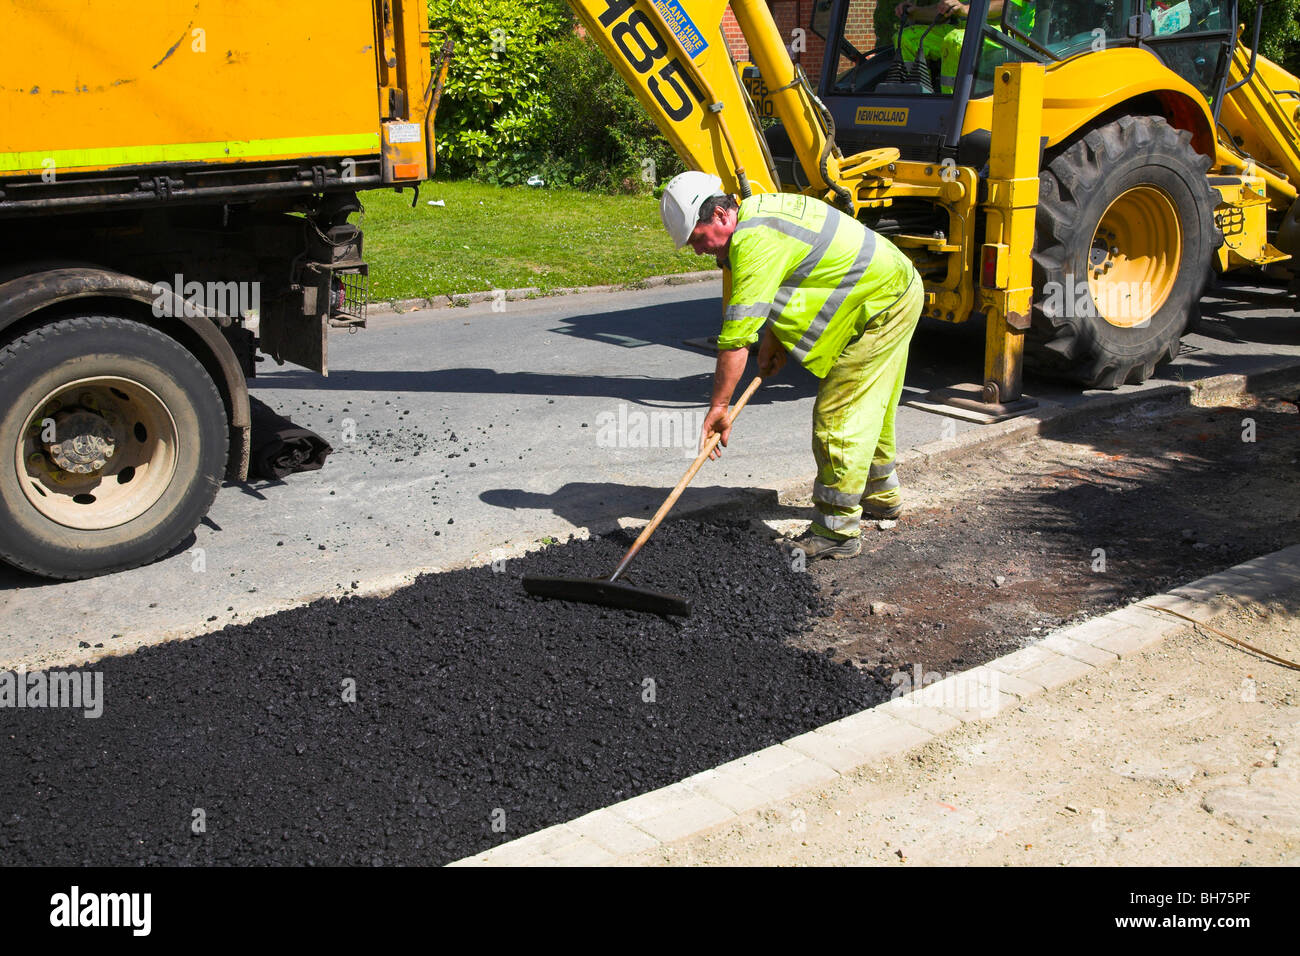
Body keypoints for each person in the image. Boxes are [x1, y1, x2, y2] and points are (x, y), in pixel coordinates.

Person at [659, 171, 924, 560]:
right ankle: (881, 496)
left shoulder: (751, 242)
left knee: (840, 416)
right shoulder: (759, 214)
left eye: (698, 239)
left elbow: (735, 342)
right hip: (896, 288)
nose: (699, 251)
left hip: (881, 306)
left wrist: (719, 407)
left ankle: (836, 530)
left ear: (718, 216)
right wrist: (775, 339)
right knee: (872, 408)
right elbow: (796, 278)